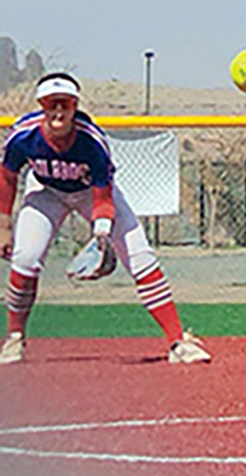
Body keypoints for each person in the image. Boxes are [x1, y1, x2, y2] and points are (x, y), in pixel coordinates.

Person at [0, 72, 210, 365]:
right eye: (51, 104)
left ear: (75, 106)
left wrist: (101, 234)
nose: (58, 110)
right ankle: (14, 339)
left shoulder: (92, 141)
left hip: (90, 193)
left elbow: (102, 195)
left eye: (65, 103)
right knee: (25, 258)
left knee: (140, 255)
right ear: (41, 106)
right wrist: (4, 226)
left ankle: (178, 342)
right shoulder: (24, 135)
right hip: (46, 191)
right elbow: (8, 177)